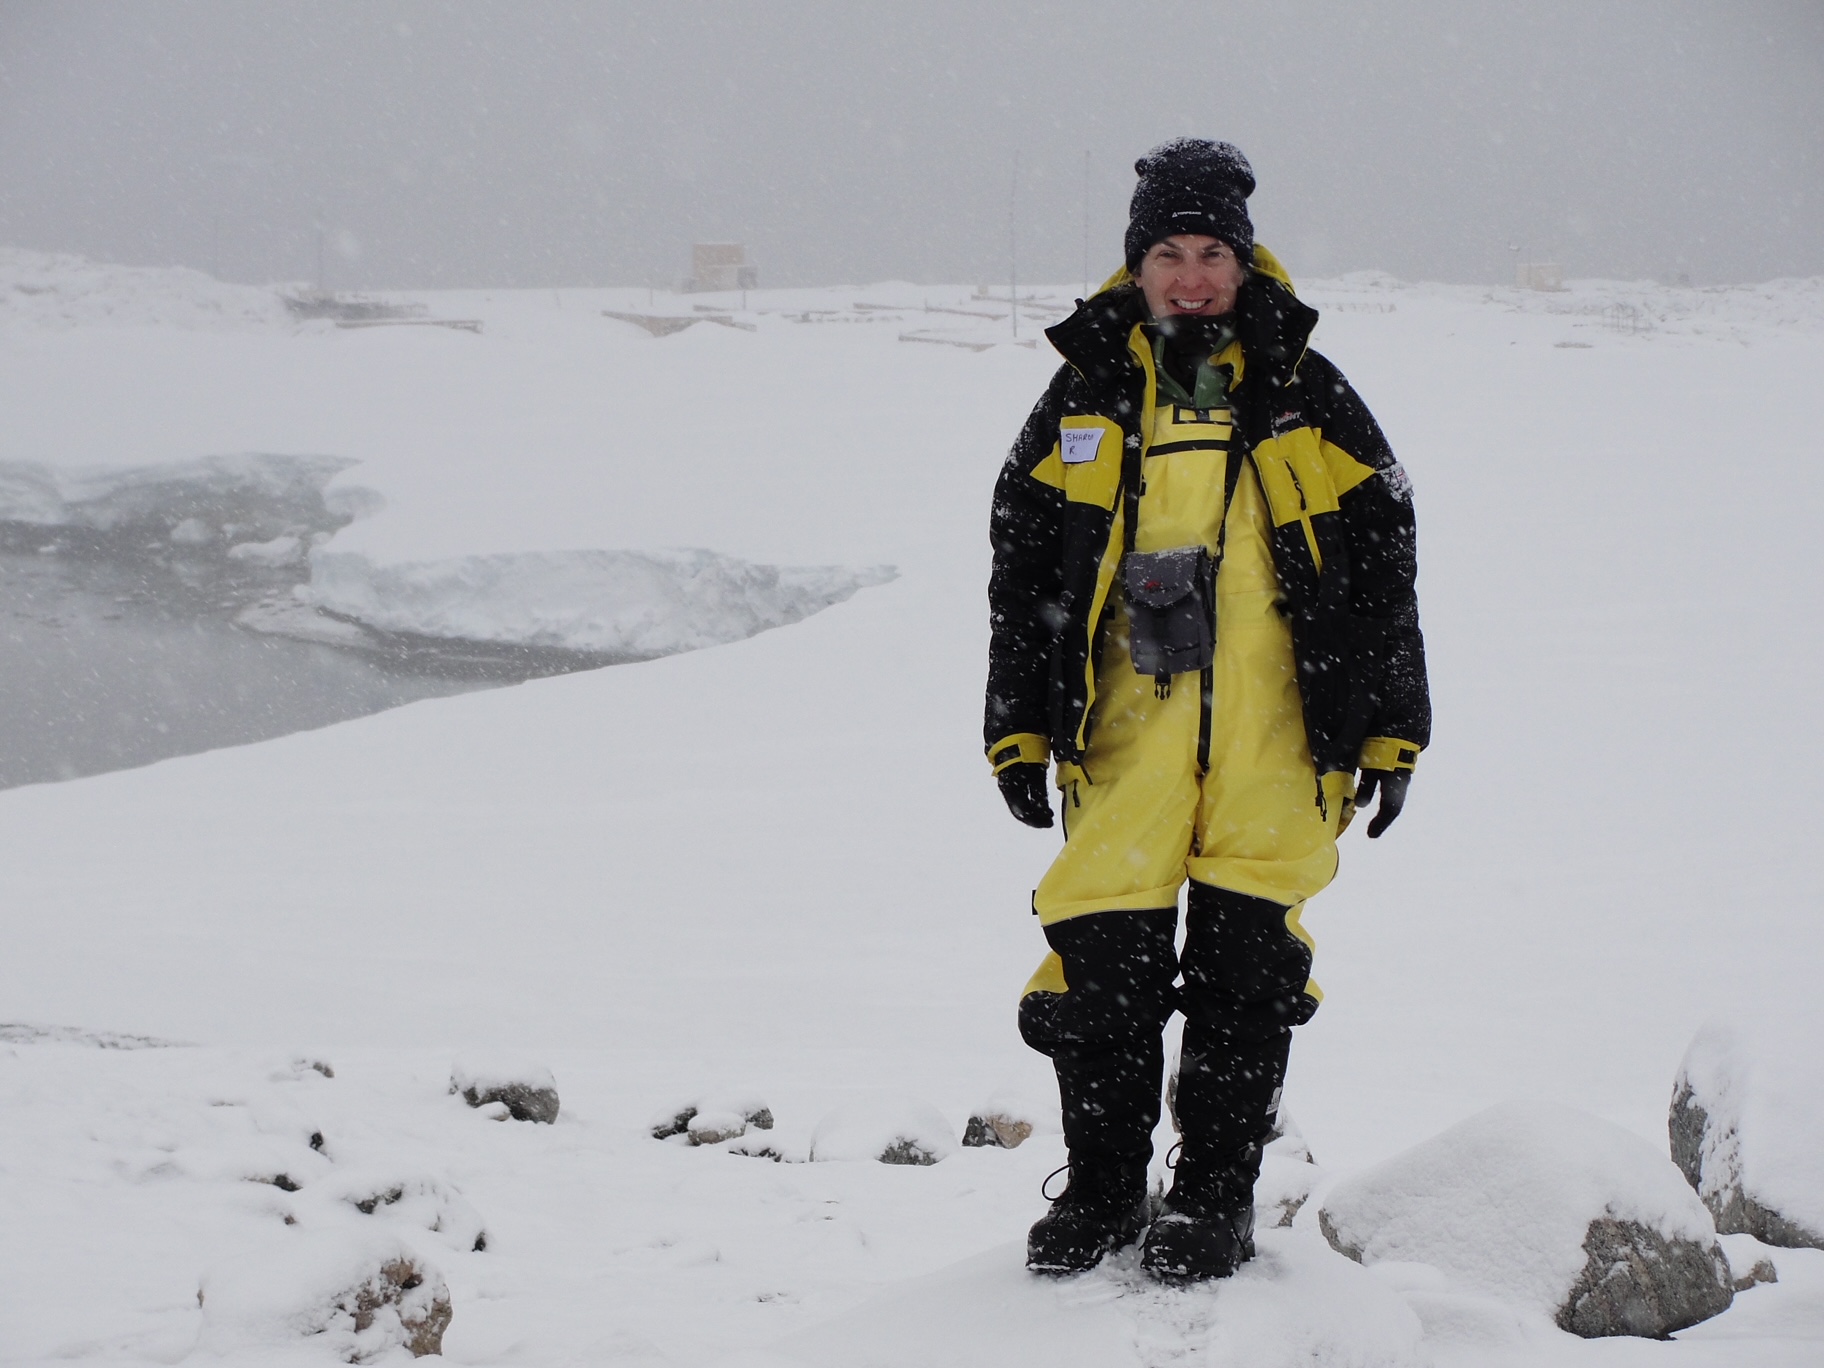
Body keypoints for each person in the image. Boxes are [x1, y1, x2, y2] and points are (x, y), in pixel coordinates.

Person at [984, 138, 1429, 1283]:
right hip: (1124, 741)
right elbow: (1024, 562)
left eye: (1212, 253)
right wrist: (1017, 723)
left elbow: (1385, 567)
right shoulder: (1086, 389)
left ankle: (1213, 1202)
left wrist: (1392, 729)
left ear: (1244, 260)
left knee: (1245, 980)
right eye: (1170, 254)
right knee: (1103, 975)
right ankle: (1099, 1194)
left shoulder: (1304, 388)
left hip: (1276, 747)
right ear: (1136, 264)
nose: (1191, 278)